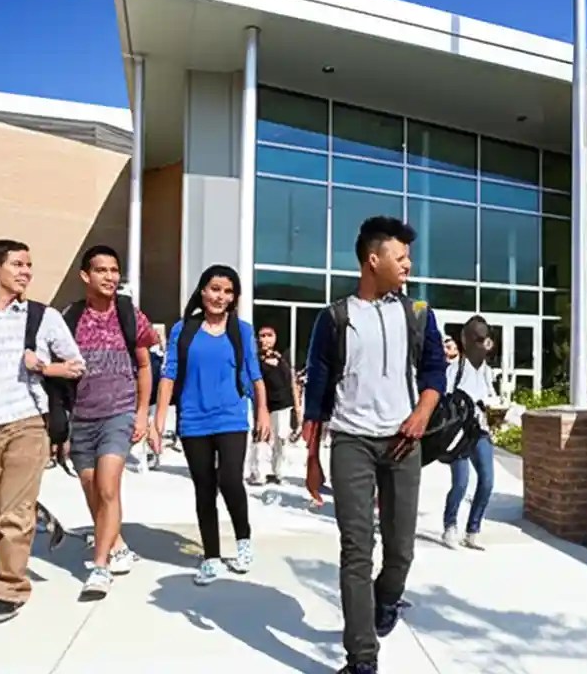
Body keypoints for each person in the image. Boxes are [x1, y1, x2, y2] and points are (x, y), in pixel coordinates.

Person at [301, 216, 446, 674]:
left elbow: (434, 371)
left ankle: (387, 599)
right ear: (373, 260)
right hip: (351, 442)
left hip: (405, 443)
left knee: (401, 548)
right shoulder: (335, 318)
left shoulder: (418, 313)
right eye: (400, 257)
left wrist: (421, 415)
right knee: (356, 549)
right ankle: (362, 658)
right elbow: (319, 394)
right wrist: (311, 460)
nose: (408, 264)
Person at [0, 239, 85, 625]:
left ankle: (8, 589)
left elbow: (76, 365)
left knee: (12, 515)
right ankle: (31, 518)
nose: (26, 271)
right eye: (18, 264)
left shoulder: (44, 317)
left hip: (28, 422)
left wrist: (42, 366)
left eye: (29, 265)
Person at [153, 265, 270, 586]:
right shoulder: (183, 330)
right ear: (203, 291)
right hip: (193, 419)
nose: (221, 296)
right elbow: (169, 374)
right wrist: (158, 420)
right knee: (204, 488)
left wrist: (262, 411)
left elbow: (255, 374)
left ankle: (243, 540)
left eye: (228, 291)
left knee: (230, 479)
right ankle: (211, 556)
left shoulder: (242, 330)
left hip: (232, 417)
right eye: (215, 289)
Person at [64, 245, 162, 601]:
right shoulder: (70, 317)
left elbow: (146, 365)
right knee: (93, 489)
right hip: (81, 416)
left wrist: (142, 414)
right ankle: (116, 543)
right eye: (102, 270)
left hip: (118, 412)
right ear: (85, 276)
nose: (109, 277)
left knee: (107, 487)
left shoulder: (129, 314)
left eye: (114, 270)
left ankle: (100, 566)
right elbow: (58, 372)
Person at [442, 316, 497, 551]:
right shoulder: (454, 370)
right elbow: (445, 400)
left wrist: (495, 409)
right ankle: (450, 527)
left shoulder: (486, 371)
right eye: (475, 338)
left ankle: (473, 530)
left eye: (483, 339)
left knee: (487, 481)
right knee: (461, 483)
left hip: (481, 431)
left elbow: (491, 397)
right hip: (460, 433)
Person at [248, 324, 301, 485]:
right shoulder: (255, 360)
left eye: (269, 335)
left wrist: (297, 406)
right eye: (262, 335)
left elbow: (292, 381)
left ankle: (278, 472)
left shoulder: (282, 358)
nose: (265, 339)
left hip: (284, 405)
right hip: (265, 405)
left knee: (281, 440)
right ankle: (258, 473)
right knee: (261, 438)